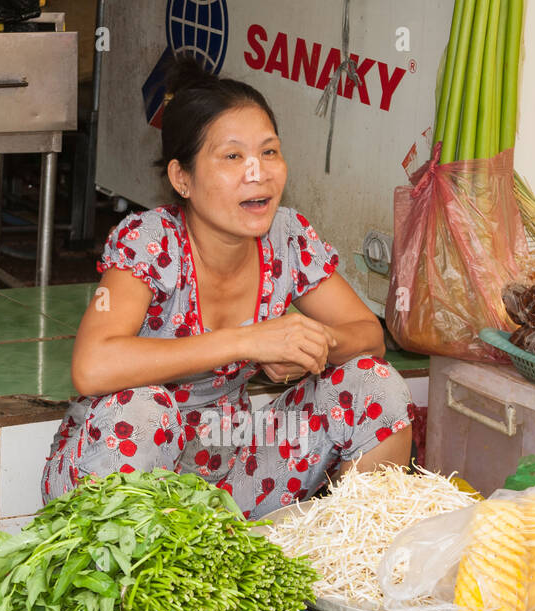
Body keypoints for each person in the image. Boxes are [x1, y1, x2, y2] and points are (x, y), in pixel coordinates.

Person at [42, 58, 416, 518]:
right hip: (118, 471)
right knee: (143, 411)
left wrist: (303, 343)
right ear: (183, 179)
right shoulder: (149, 241)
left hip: (227, 468)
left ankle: (355, 569)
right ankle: (127, 581)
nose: (257, 172)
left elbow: (368, 336)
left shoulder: (288, 237)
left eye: (270, 152)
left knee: (373, 385)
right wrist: (248, 340)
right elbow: (92, 367)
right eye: (233, 156)